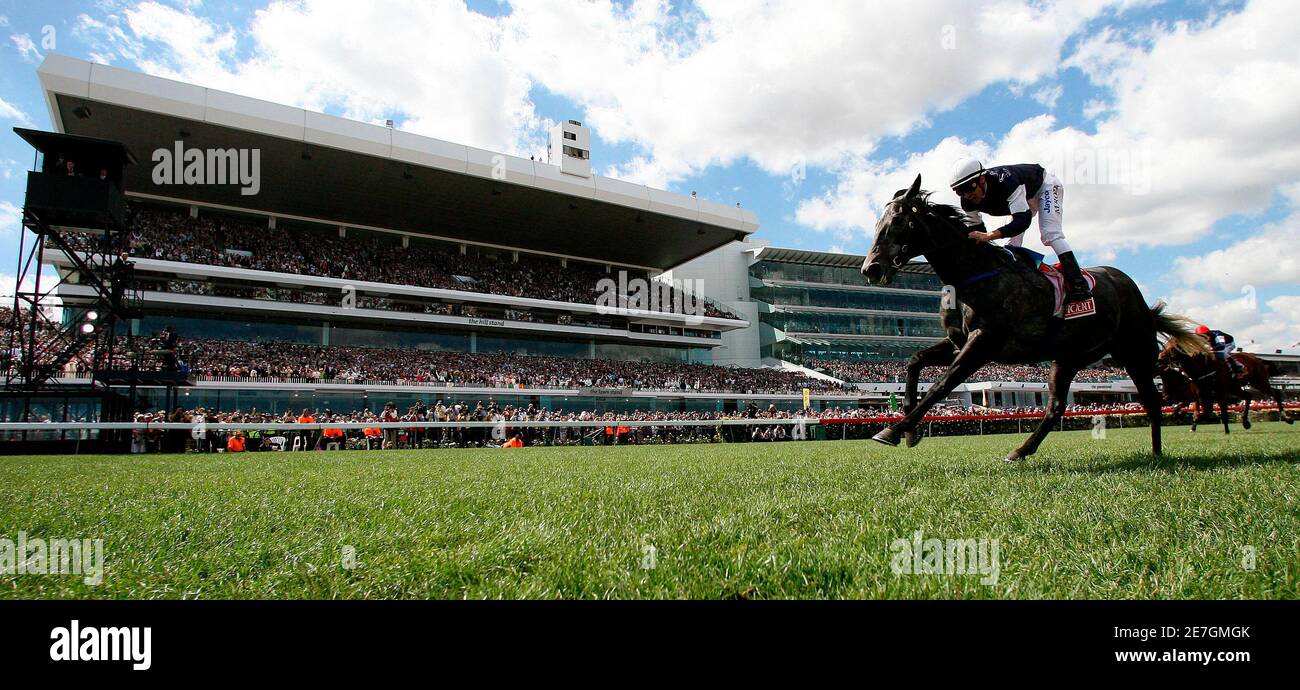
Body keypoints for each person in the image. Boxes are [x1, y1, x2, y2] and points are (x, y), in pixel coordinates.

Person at [949, 158, 1091, 304]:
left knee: (1050, 234)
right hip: (1022, 200)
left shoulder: (1006, 182)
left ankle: (1078, 283)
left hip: (1044, 188)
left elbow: (1022, 221)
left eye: (968, 188)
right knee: (1011, 245)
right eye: (960, 191)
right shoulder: (967, 201)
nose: (967, 195)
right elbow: (977, 232)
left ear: (982, 179)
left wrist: (990, 235)